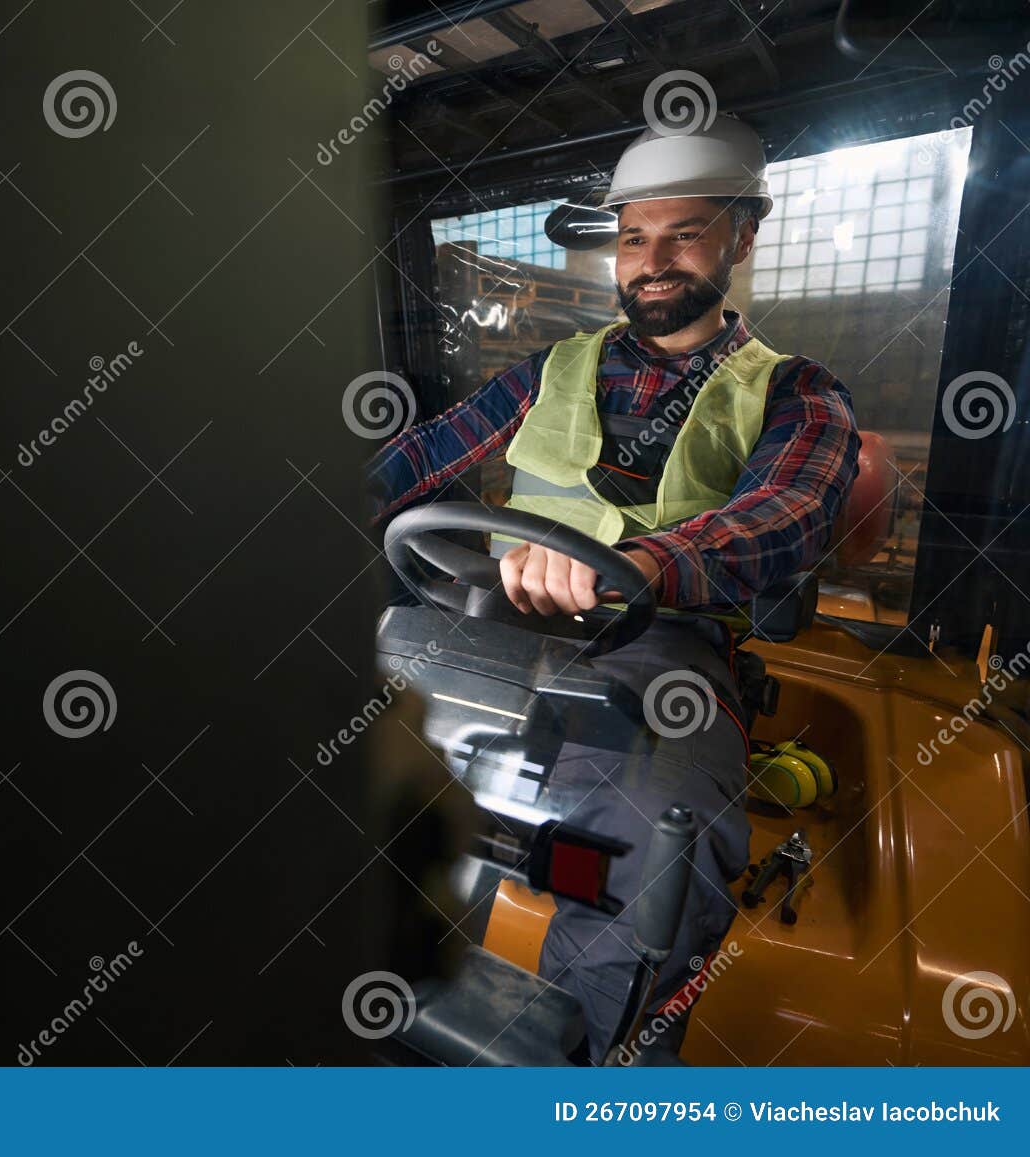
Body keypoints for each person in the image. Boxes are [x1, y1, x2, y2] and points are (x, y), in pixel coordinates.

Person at [366, 115, 861, 1062]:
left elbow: (786, 514)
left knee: (654, 843)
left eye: (685, 231)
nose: (653, 259)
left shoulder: (796, 391)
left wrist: (640, 563)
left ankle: (597, 1065)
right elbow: (417, 459)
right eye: (636, 236)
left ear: (741, 236)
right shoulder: (550, 371)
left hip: (658, 646)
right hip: (490, 621)